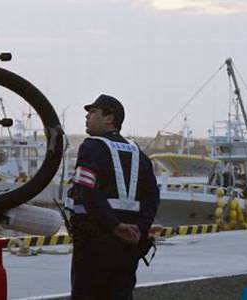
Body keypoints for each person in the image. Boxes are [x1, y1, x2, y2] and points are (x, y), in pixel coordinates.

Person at [66, 94, 160, 300]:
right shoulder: (139, 154)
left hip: (94, 242)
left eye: (93, 112)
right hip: (129, 247)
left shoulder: (92, 147)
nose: (87, 117)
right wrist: (139, 229)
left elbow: (86, 190)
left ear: (110, 118)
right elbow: (152, 196)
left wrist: (114, 226)